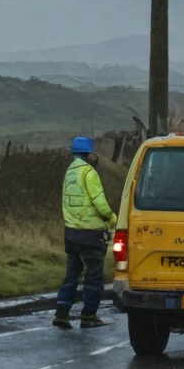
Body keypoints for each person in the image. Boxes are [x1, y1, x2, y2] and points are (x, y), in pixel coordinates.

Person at [55, 136, 116, 329]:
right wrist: (113, 220)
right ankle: (89, 315)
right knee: (94, 276)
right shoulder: (89, 173)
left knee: (71, 274)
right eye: (92, 152)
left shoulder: (69, 172)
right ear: (88, 153)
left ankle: (62, 314)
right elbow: (101, 204)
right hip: (91, 234)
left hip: (71, 233)